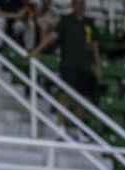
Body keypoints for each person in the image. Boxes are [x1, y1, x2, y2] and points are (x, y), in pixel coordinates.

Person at [28, 0, 100, 136]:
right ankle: (59, 126)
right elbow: (52, 37)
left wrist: (97, 65)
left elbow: (94, 45)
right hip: (68, 65)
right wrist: (37, 50)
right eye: (78, 3)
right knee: (65, 96)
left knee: (82, 99)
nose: (81, 6)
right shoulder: (65, 21)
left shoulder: (89, 23)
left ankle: (79, 130)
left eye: (82, 4)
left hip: (85, 66)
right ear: (73, 5)